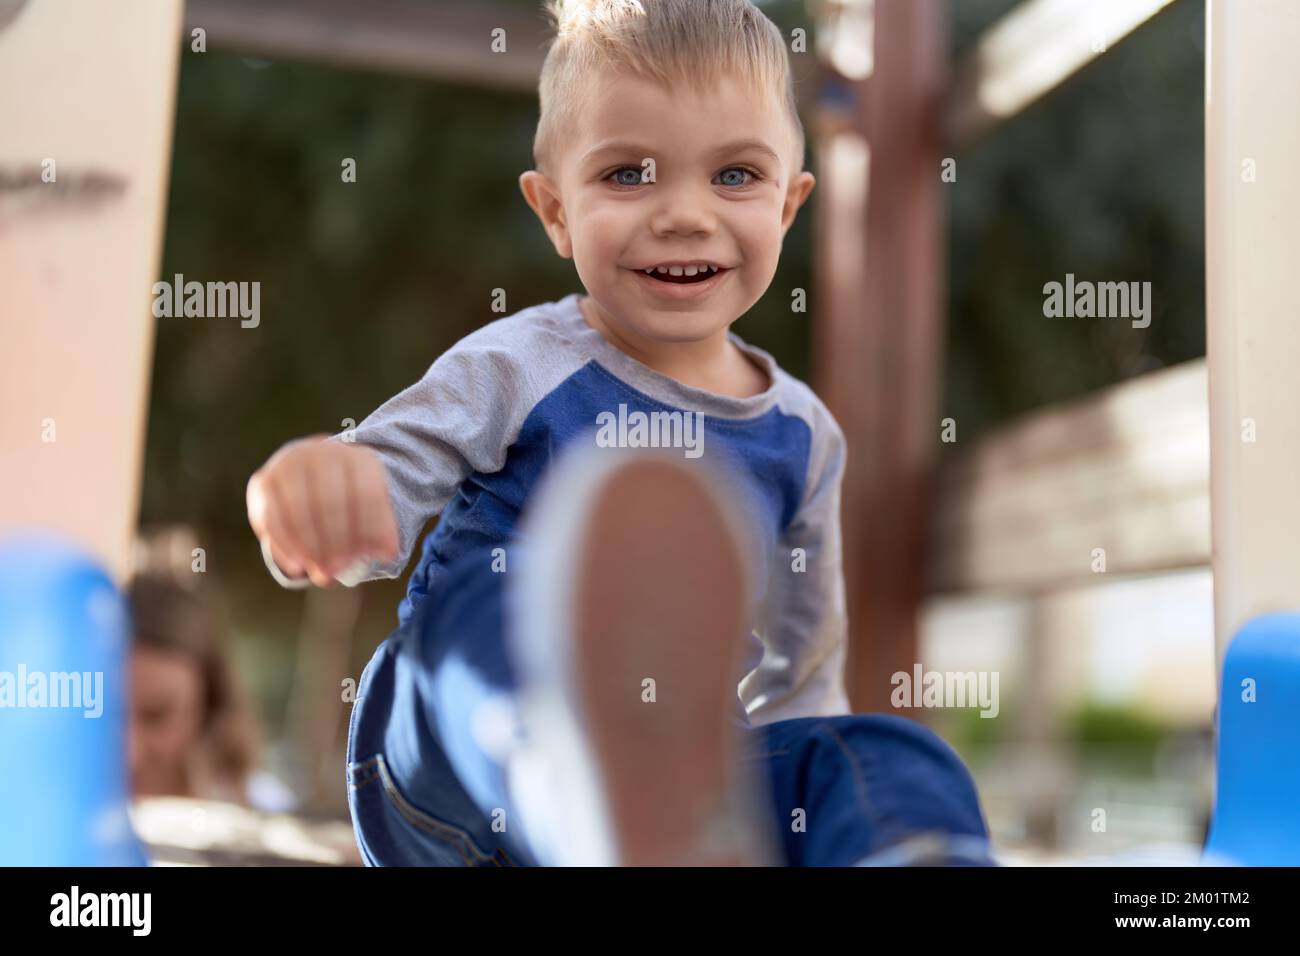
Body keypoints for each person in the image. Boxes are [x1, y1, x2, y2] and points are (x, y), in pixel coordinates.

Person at [245, 0, 991, 865]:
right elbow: (377, 492)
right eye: (629, 174)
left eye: (736, 175)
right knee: (492, 611)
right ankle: (583, 779)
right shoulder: (519, 365)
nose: (684, 213)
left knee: (881, 753)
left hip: (682, 792)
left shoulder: (802, 437)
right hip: (450, 785)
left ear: (789, 207)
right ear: (555, 210)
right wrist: (322, 493)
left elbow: (800, 683)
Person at [128, 571, 296, 813]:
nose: (131, 751)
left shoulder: (266, 815)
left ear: (209, 707)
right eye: (109, 715)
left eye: (158, 715)